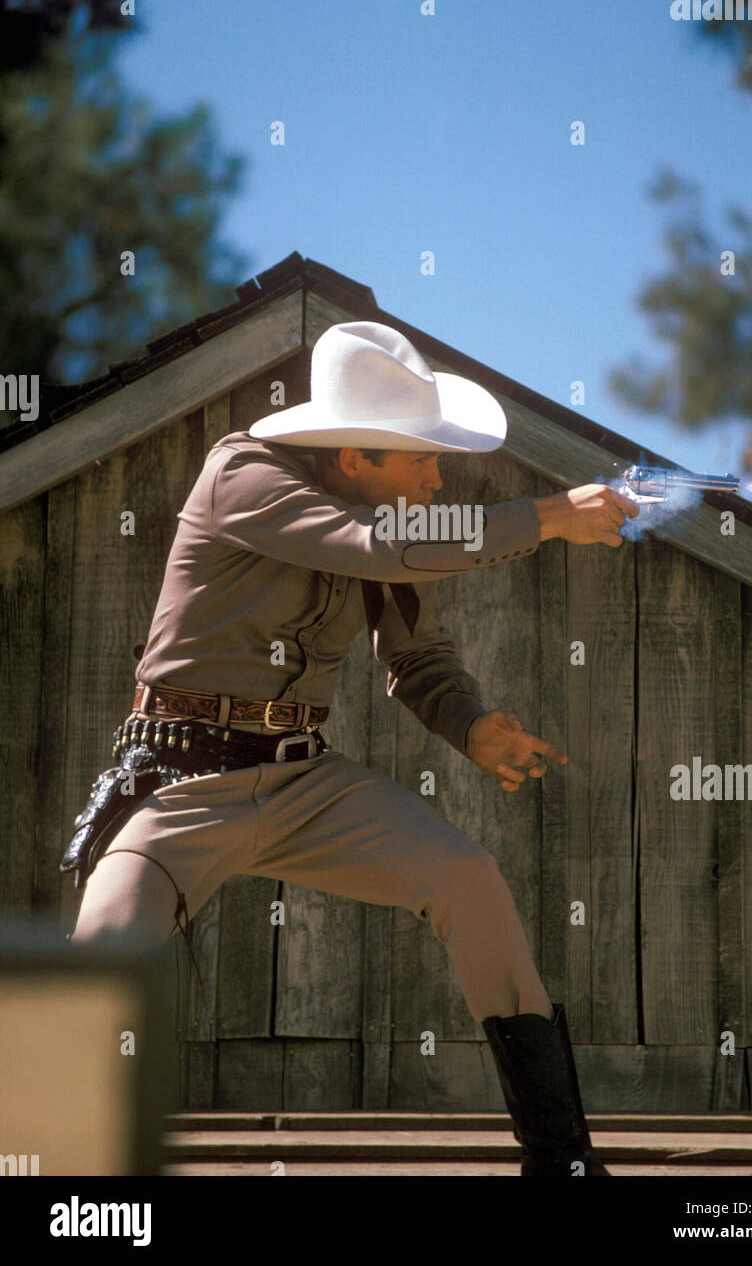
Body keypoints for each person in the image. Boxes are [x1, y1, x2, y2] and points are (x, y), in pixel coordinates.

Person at [67, 319, 638, 1176]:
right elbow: (382, 552)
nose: (437, 476)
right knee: (102, 961)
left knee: (467, 878)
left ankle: (563, 1162)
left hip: (303, 780)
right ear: (353, 456)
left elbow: (418, 658)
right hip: (178, 775)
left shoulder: (389, 512)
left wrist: (473, 726)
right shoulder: (241, 472)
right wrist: (551, 515)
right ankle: (66, 1179)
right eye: (420, 458)